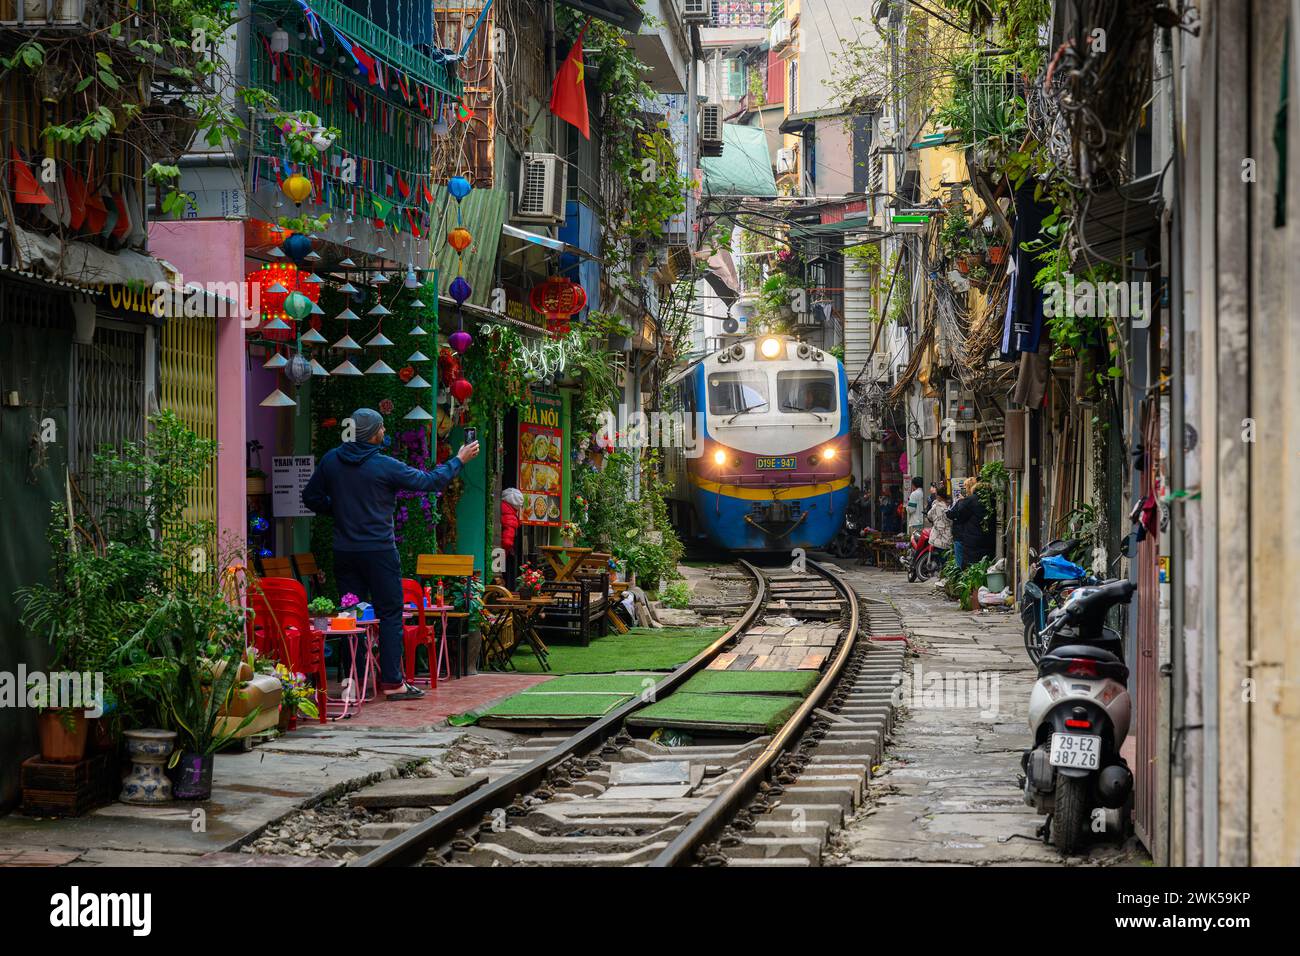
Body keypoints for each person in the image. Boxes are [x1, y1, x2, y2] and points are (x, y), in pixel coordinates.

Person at [303, 408, 480, 700]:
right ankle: (393, 682)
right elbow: (429, 482)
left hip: (345, 552)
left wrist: (339, 509)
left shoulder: (332, 460)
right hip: (379, 551)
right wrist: (459, 460)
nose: (385, 432)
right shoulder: (384, 465)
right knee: (389, 614)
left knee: (351, 614)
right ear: (372, 434)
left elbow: (310, 497)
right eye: (382, 428)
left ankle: (353, 681)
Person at [947, 476, 996, 569]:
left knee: (968, 565)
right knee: (985, 564)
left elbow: (956, 514)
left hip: (971, 539)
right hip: (989, 539)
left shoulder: (970, 501)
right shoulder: (992, 500)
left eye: (965, 488)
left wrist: (960, 501)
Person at [500, 487, 523, 588]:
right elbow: (507, 542)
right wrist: (508, 550)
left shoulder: (500, 507)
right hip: (501, 552)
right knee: (501, 576)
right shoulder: (511, 516)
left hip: (496, 549)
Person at [927, 486, 953, 554]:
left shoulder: (936, 506)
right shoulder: (951, 506)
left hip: (936, 539)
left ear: (938, 496)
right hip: (948, 539)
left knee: (938, 559)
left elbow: (929, 516)